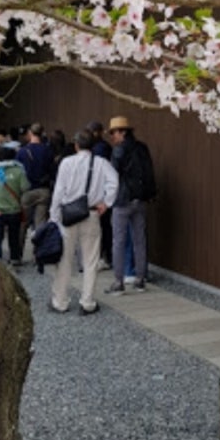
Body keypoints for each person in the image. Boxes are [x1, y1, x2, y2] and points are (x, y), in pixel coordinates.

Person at [48, 129, 118, 315]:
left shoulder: (66, 162)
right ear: (93, 145)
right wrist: (106, 203)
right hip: (92, 213)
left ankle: (60, 301)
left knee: (65, 259)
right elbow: (114, 182)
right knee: (91, 259)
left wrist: (53, 216)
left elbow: (59, 191)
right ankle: (87, 302)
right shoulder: (101, 163)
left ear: (76, 144)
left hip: (68, 215)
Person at [105, 115, 157, 296]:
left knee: (118, 241)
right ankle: (140, 279)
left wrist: (107, 199)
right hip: (140, 200)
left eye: (114, 133)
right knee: (139, 239)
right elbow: (149, 172)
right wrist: (150, 194)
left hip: (122, 201)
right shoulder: (142, 148)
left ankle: (118, 282)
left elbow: (112, 177)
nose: (112, 136)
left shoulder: (118, 151)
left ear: (123, 132)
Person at [0, 145, 30, 266]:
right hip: (14, 209)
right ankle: (15, 258)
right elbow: (25, 187)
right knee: (14, 237)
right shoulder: (18, 172)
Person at [17, 122, 55, 232]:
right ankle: (40, 248)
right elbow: (52, 171)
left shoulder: (22, 152)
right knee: (41, 224)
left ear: (30, 133)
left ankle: (18, 248)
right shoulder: (48, 150)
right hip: (44, 190)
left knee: (23, 223)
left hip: (27, 190)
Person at [87, 120, 113, 267]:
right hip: (102, 190)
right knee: (103, 226)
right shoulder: (102, 147)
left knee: (102, 226)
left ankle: (105, 256)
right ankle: (105, 256)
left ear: (97, 132)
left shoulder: (100, 149)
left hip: (101, 192)